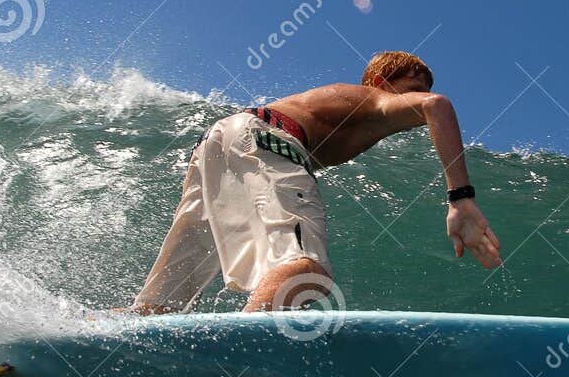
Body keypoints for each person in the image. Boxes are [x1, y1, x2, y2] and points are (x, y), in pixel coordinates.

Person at [130, 50, 502, 314]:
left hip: (222, 144)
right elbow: (437, 105)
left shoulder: (353, 112)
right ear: (380, 80)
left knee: (165, 299)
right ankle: (243, 361)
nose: (418, 94)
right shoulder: (375, 99)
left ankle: (121, 335)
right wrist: (461, 198)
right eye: (412, 85)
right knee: (306, 271)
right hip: (264, 138)